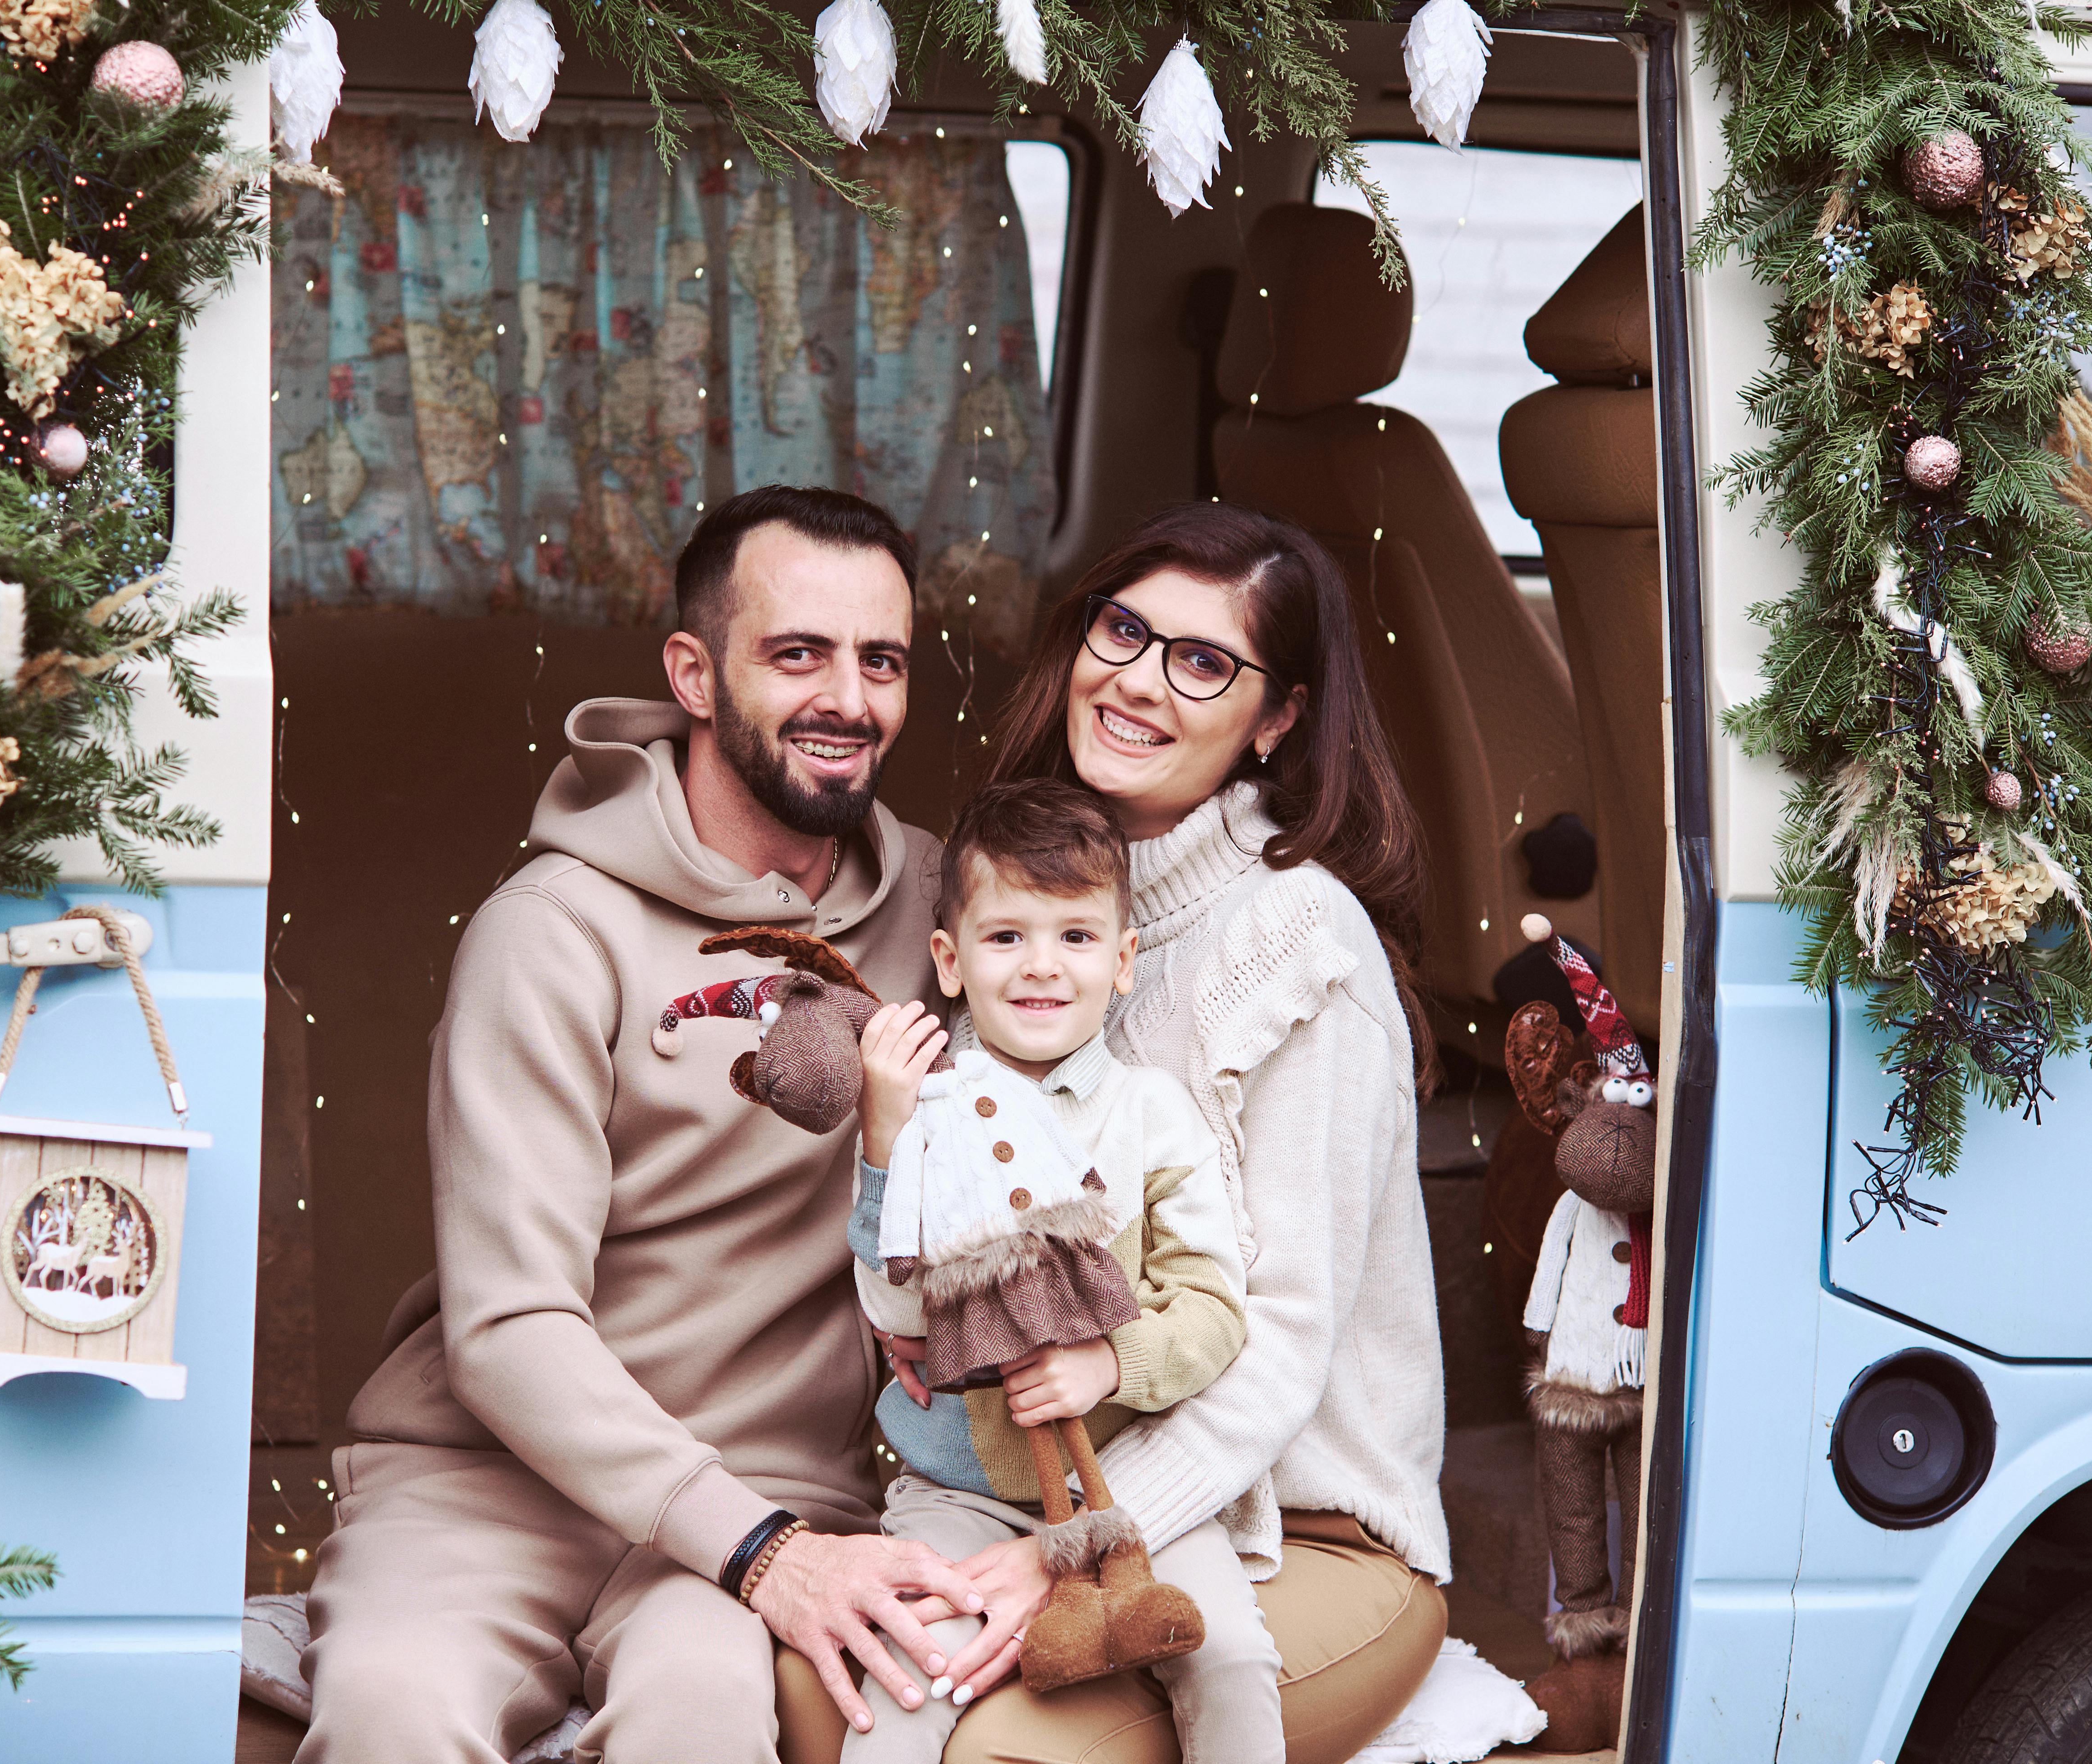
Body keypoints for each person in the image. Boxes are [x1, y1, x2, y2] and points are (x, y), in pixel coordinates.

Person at [296, 485, 989, 1764]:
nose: (848, 698)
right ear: (695, 672)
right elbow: (508, 1329)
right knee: (393, 1710)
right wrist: (761, 1554)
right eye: (796, 653)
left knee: (702, 1716)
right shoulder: (550, 930)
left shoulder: (949, 922)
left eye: (879, 661)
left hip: (773, 1490)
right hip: (488, 1488)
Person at [897, 501, 1455, 1764]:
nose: (1137, 681)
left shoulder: (1298, 945)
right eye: (1123, 630)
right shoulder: (1027, 894)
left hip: (1305, 1529)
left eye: (1200, 662)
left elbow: (1284, 1343)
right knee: (844, 1687)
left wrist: (1070, 1551)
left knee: (1002, 1756)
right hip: (1060, 1484)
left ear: (1275, 719)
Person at [845, 778, 1274, 1764]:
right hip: (954, 1493)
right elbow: (894, 1310)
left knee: (1234, 1659)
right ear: (949, 962)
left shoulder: (1151, 1115)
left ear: (1123, 961)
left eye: (1075, 937)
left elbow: (1213, 1304)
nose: (1042, 966)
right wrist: (882, 1138)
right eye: (1006, 938)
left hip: (1122, 1482)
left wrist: (1109, 1362)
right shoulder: (923, 1110)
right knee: (908, 1685)